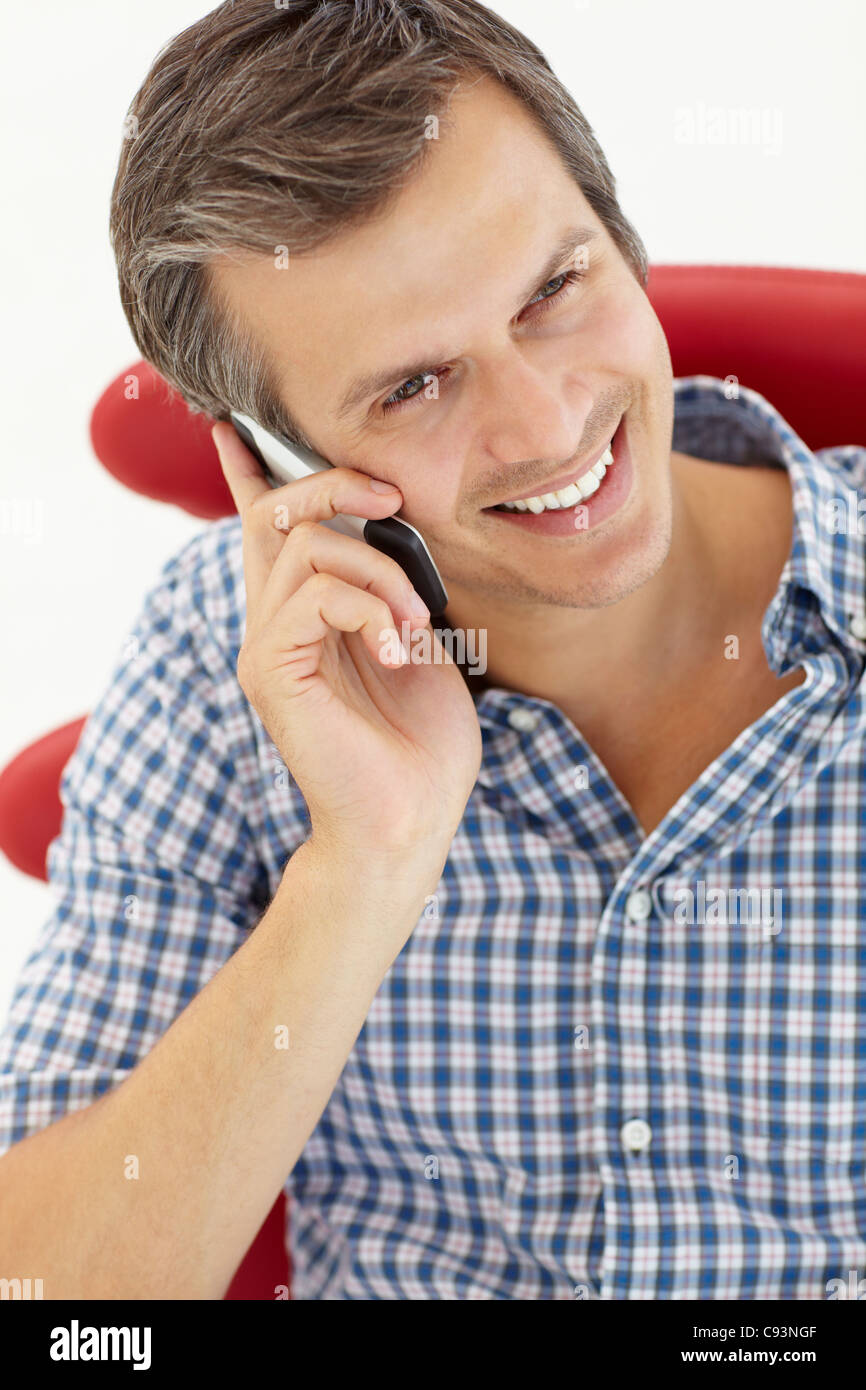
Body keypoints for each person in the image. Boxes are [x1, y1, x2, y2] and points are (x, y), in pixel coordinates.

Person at [1, 0, 864, 1300]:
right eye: (412, 386)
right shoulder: (213, 656)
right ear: (275, 464)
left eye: (553, 291)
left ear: (621, 240)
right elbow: (48, 1297)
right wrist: (363, 866)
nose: (543, 423)